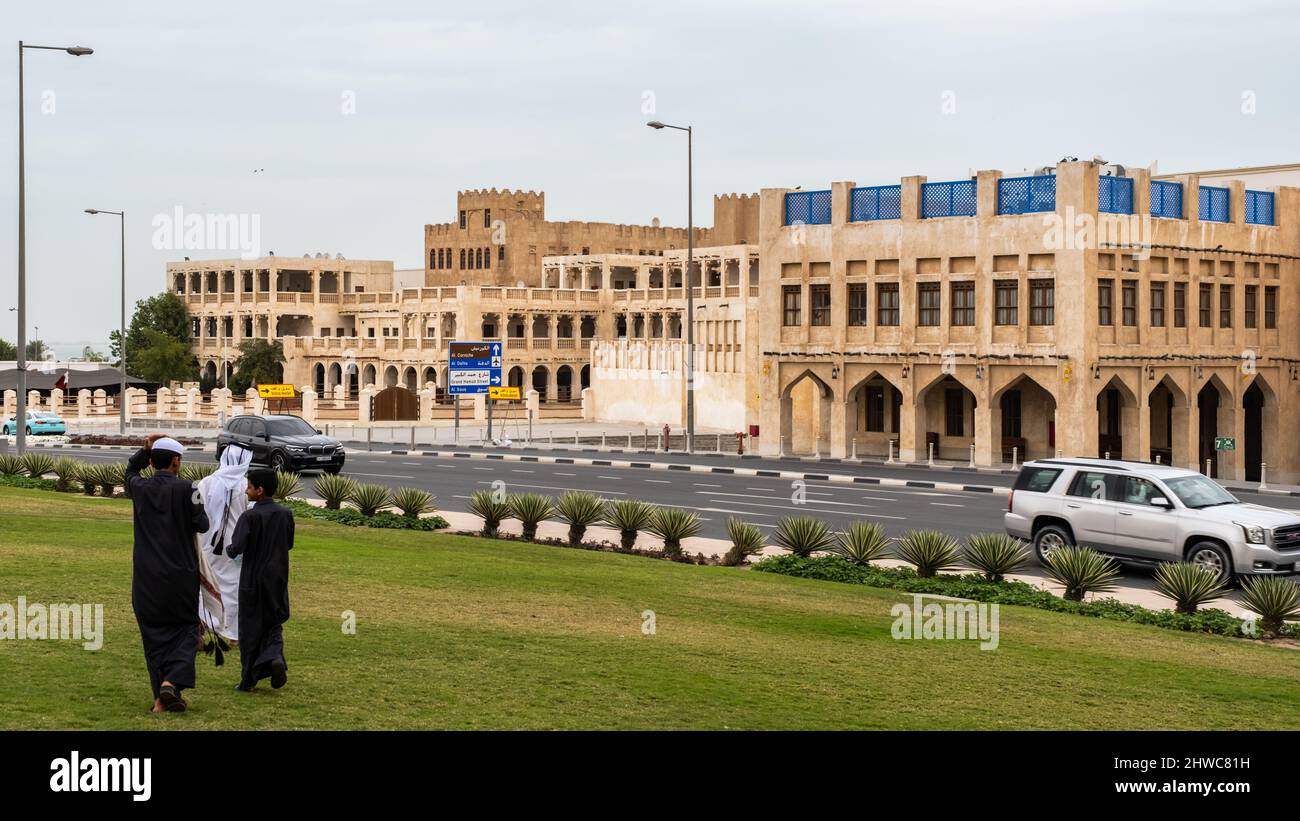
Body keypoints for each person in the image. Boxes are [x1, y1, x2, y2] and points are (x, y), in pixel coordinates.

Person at [125, 434, 209, 713]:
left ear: (152, 462)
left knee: (154, 638)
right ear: (176, 461)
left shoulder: (140, 488)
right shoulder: (191, 488)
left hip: (146, 578)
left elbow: (129, 472)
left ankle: (161, 699)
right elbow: (203, 524)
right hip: (181, 575)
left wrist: (144, 449)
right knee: (188, 630)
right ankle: (171, 683)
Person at [227, 468, 294, 692]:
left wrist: (227, 549)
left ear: (260, 490)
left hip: (252, 581)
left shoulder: (250, 516)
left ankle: (248, 679)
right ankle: (274, 656)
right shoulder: (285, 514)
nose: (246, 491)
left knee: (249, 630)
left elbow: (236, 548)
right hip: (277, 579)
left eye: (249, 486)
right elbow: (288, 543)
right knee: (273, 623)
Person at [197, 445, 253, 642]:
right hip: (236, 545)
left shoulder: (207, 482)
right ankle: (233, 633)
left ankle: (207, 621)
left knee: (207, 581)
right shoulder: (247, 485)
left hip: (208, 542)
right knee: (234, 587)